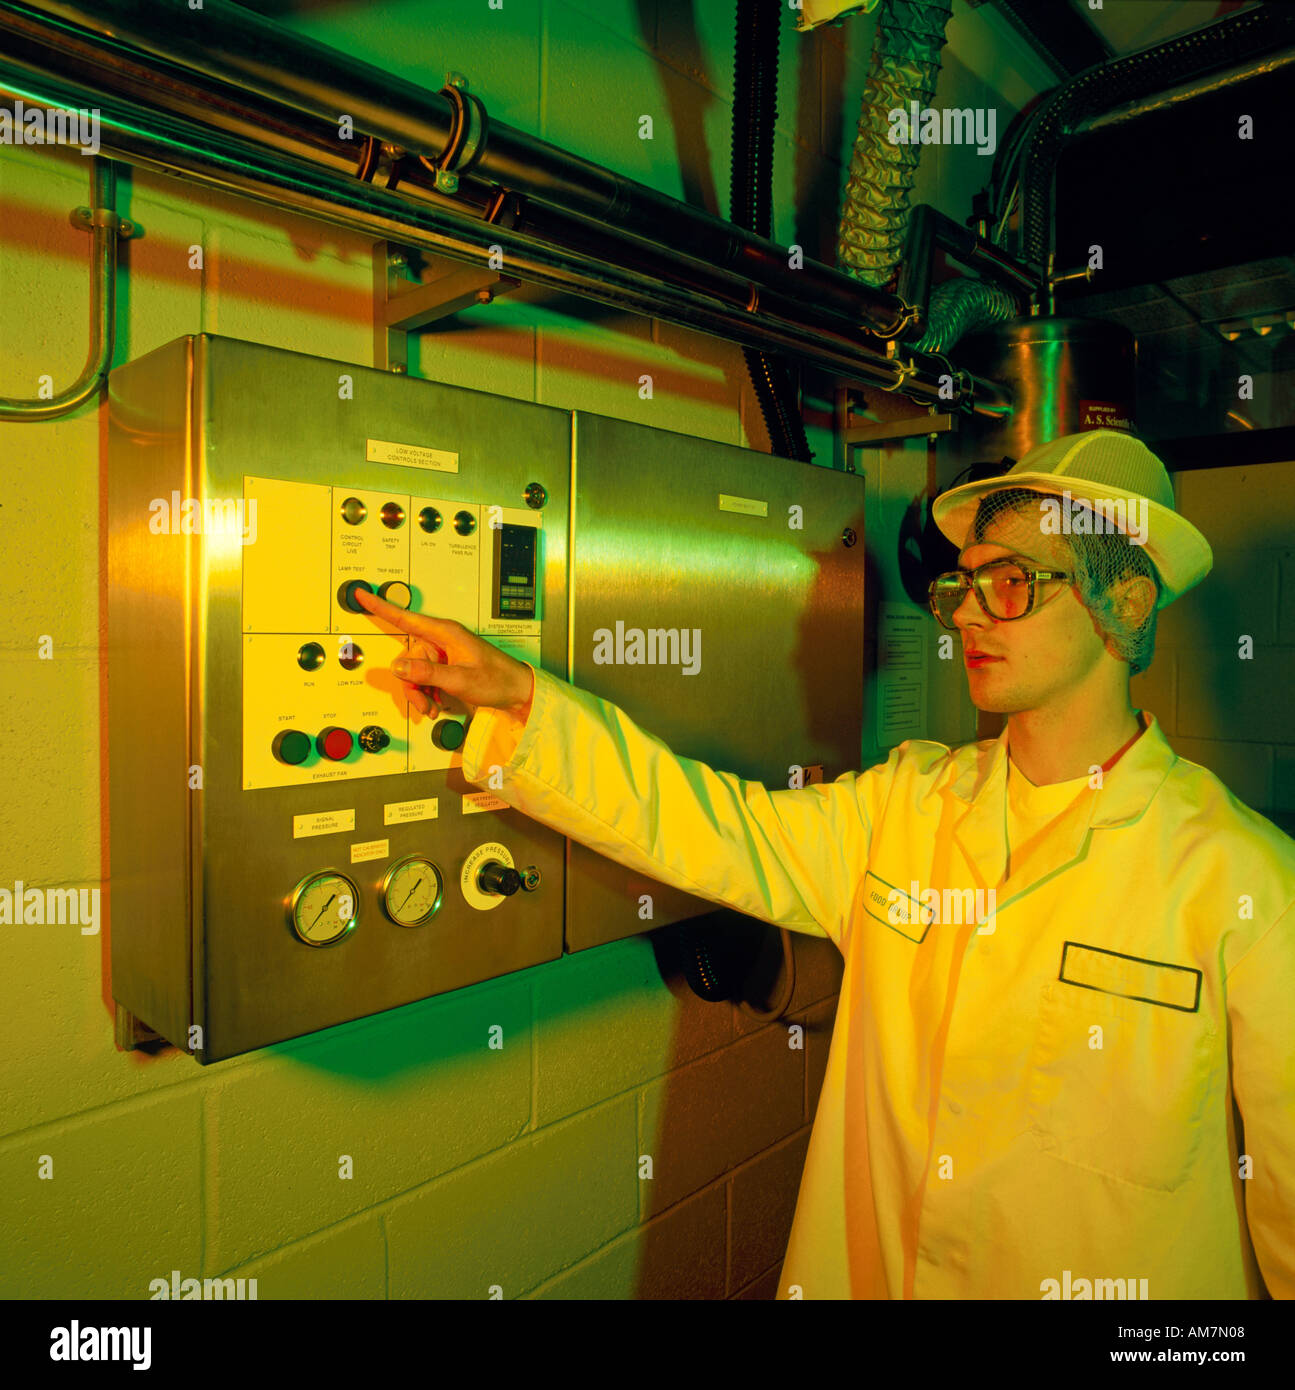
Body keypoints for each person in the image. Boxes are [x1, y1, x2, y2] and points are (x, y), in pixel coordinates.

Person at [354, 428, 1294, 1300]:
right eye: (962, 584)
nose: (967, 615)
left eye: (1011, 582)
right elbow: (709, 826)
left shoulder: (1243, 883)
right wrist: (520, 699)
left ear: (1124, 603)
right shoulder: (906, 804)